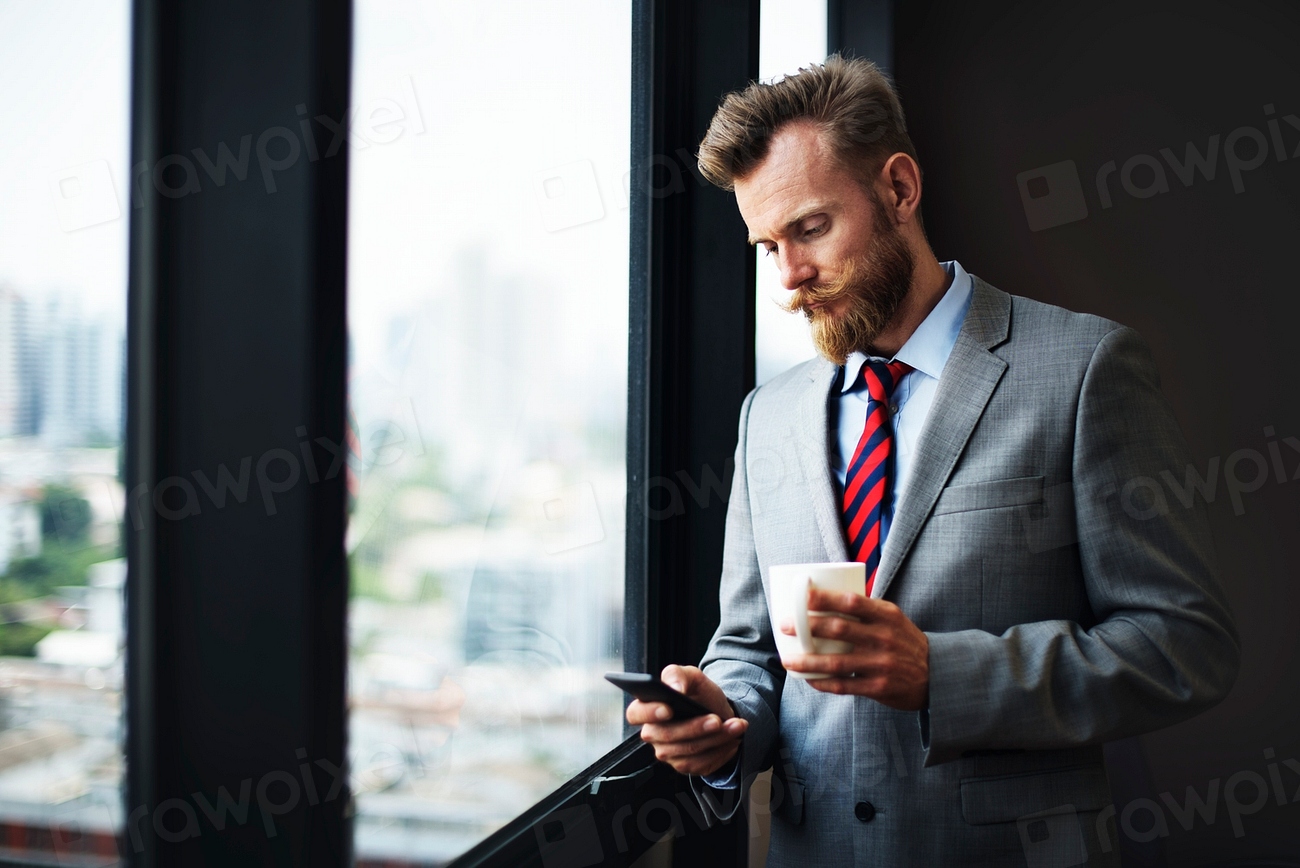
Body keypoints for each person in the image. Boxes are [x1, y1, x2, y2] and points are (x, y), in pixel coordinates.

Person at [625, 56, 1239, 866]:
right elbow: (748, 652)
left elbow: (1184, 646)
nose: (789, 279)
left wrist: (942, 674)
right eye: (767, 246)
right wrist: (721, 721)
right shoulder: (766, 417)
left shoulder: (1087, 370)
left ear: (900, 189)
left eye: (810, 229)